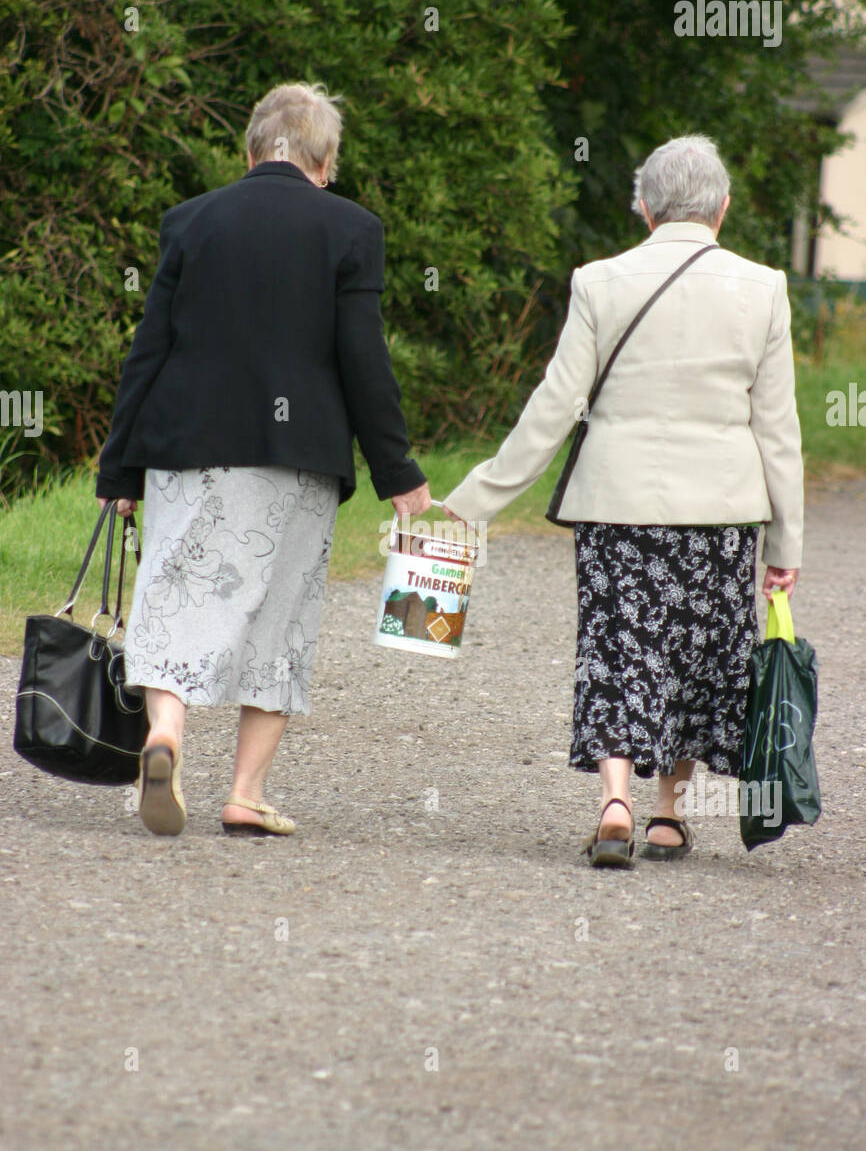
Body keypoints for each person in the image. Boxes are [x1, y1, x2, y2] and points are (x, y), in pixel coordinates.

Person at [443, 135, 803, 868]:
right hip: (721, 511)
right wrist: (785, 544)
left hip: (617, 505)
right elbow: (778, 427)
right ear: (723, 208)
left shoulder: (600, 281)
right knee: (699, 657)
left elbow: (554, 407)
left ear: (643, 205)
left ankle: (615, 803)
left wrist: (477, 497)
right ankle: (669, 814)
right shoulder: (762, 287)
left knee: (618, 649)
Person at [96, 82, 431, 838]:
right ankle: (244, 794)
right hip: (295, 455)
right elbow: (362, 360)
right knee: (277, 620)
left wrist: (119, 471)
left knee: (176, 596)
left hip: (187, 447)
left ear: (249, 151)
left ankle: (166, 737)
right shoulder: (350, 230)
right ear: (327, 159)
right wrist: (397, 471)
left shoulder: (191, 221)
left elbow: (148, 352)